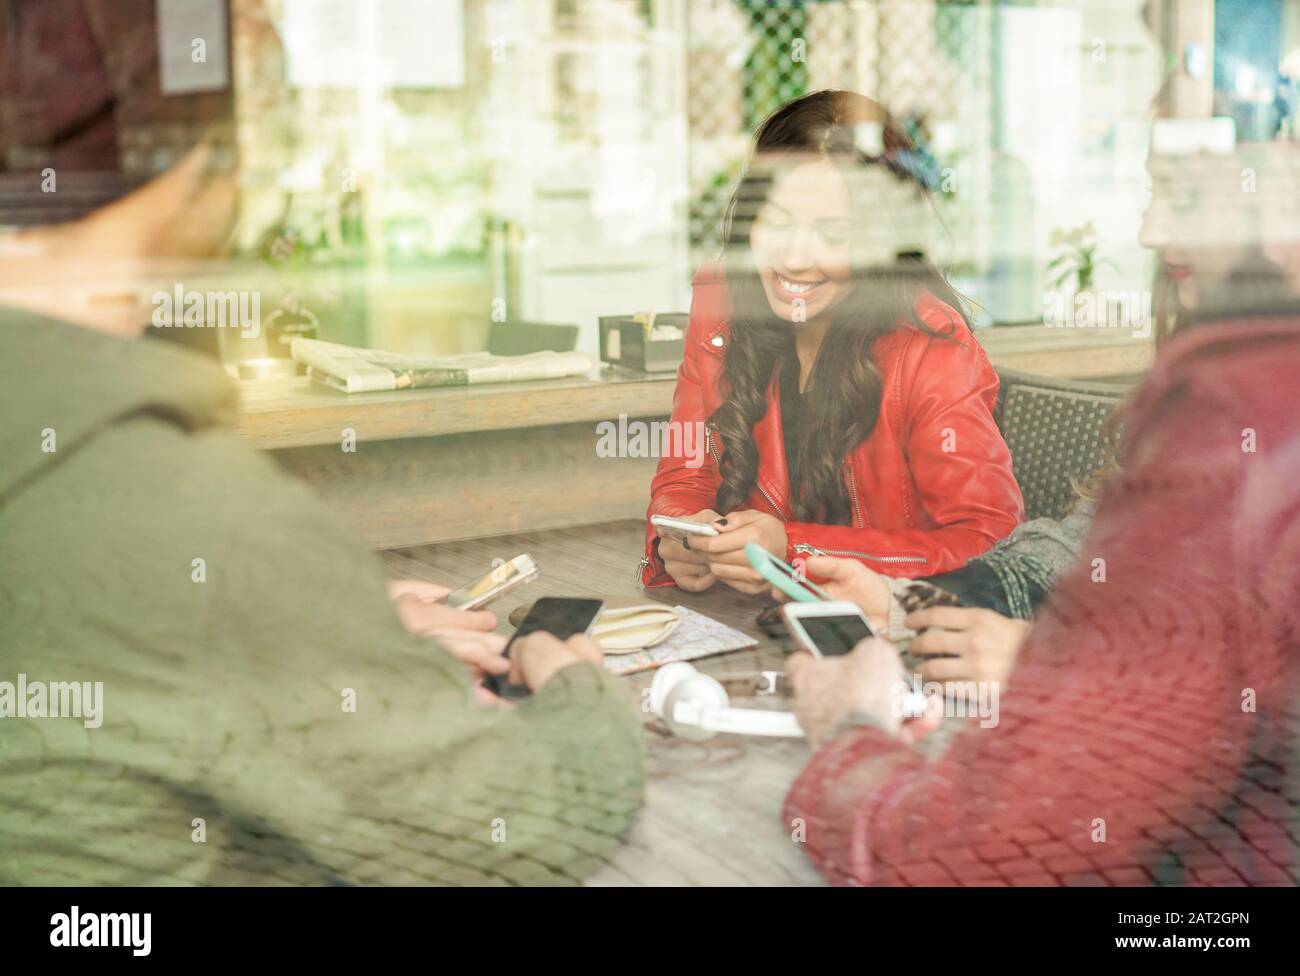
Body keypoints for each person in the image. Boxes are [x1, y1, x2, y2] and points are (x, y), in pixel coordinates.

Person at [0, 13, 644, 884]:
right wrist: (573, 681)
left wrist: (326, 628)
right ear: (193, 165)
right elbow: (522, 826)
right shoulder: (194, 518)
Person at [781, 132, 1300, 886]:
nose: (1150, 231)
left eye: (1186, 195)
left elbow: (968, 857)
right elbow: (1087, 548)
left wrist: (848, 738)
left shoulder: (1246, 411)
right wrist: (907, 600)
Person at [640, 90, 1024, 595]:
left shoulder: (931, 348)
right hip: (759, 630)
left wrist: (794, 549)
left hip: (892, 647)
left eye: (833, 233)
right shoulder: (724, 308)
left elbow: (989, 541)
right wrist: (683, 541)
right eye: (776, 222)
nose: (795, 257)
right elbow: (686, 476)